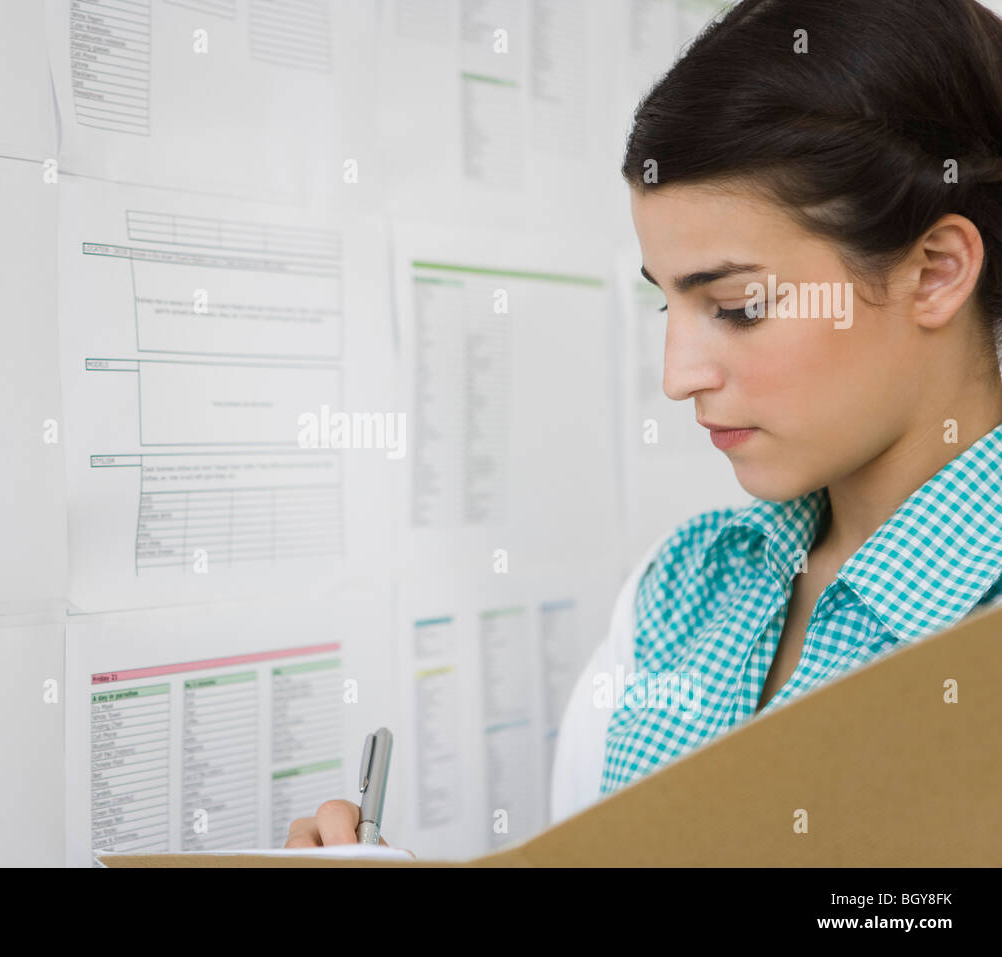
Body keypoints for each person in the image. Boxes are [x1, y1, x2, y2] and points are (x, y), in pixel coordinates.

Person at [286, 0, 1002, 853]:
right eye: (669, 302)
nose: (676, 377)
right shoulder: (676, 592)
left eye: (739, 305)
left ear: (935, 272)